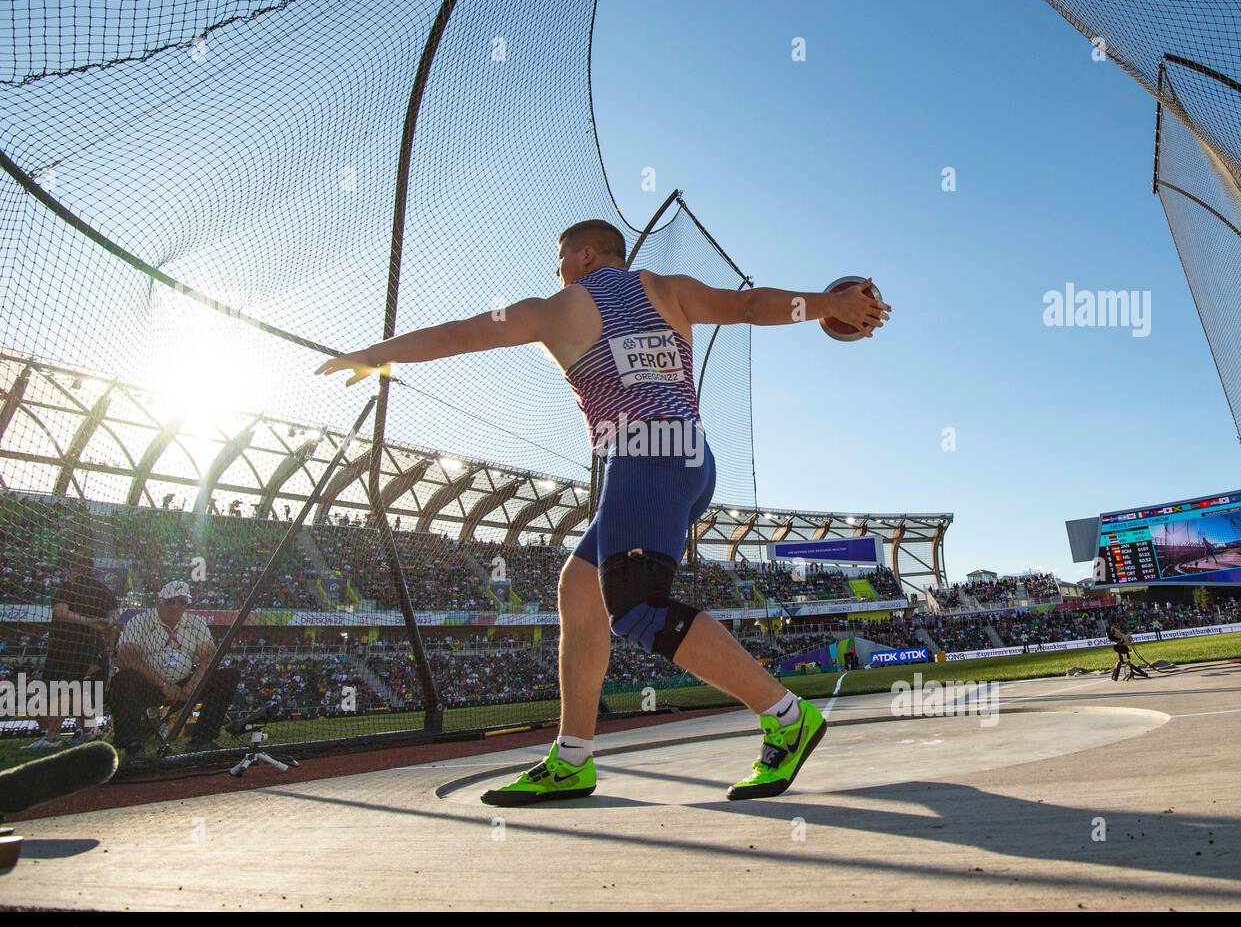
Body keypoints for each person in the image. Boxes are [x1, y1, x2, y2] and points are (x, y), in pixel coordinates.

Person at [318, 219, 892, 803]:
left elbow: (458, 336)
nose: (558, 270)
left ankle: (787, 717)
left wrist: (375, 354)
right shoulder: (667, 289)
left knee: (639, 610)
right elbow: (749, 306)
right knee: (580, 589)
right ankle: (573, 759)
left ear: (585, 255)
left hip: (643, 453)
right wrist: (828, 302)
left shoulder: (558, 307)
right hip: (690, 457)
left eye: (560, 258)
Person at [108, 581, 240, 753]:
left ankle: (202, 741)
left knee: (228, 675)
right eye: (171, 601)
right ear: (158, 602)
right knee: (123, 679)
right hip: (150, 685)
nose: (176, 606)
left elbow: (209, 657)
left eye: (183, 602)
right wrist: (163, 685)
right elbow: (126, 657)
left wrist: (192, 686)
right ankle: (132, 746)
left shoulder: (195, 623)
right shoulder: (140, 621)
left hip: (185, 684)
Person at [26, 553, 117, 750]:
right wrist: (101, 624)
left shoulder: (69, 587)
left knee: (66, 690)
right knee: (77, 691)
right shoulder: (102, 589)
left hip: (69, 648)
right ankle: (87, 731)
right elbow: (113, 617)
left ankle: (52, 737)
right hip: (93, 647)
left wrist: (89, 622)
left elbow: (60, 612)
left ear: (76, 568)